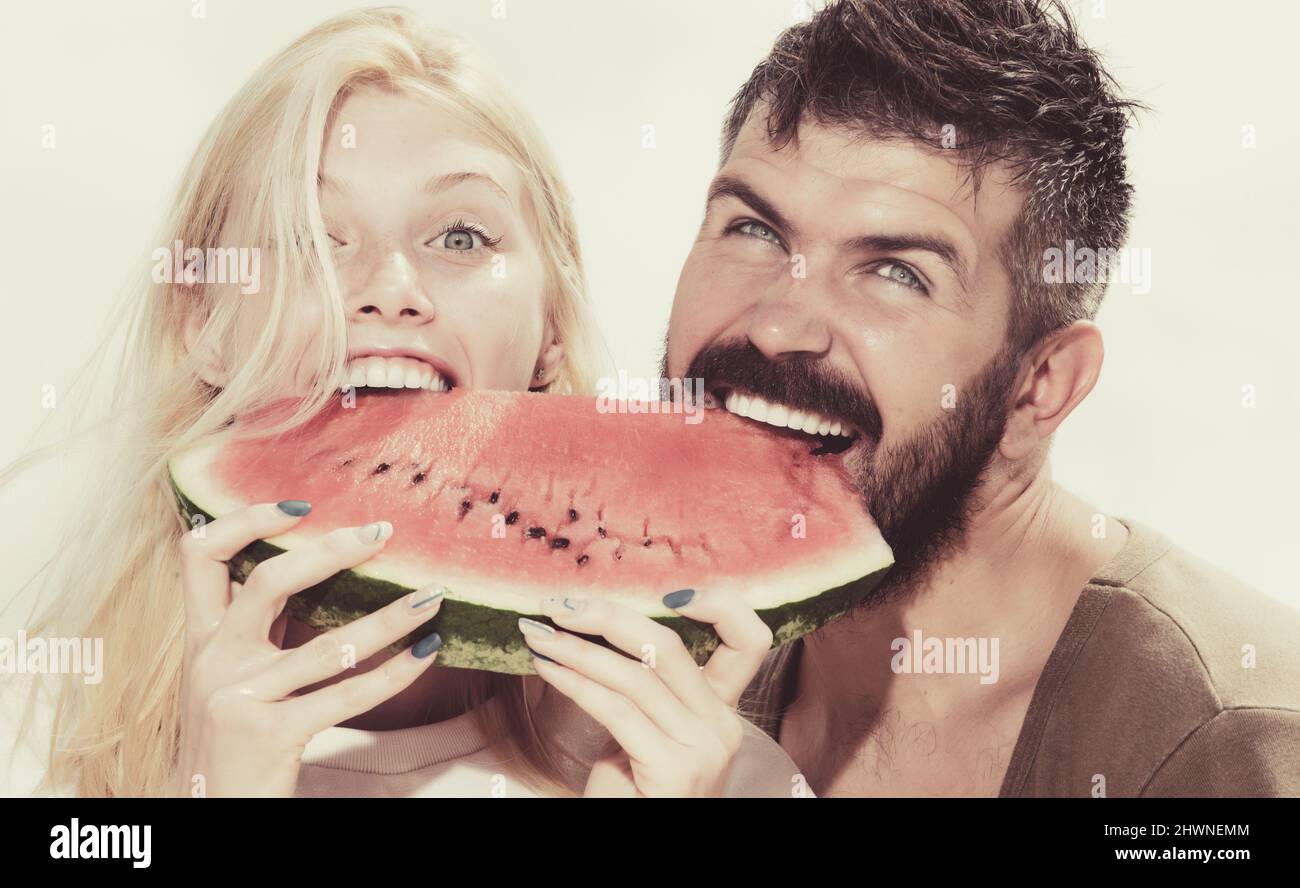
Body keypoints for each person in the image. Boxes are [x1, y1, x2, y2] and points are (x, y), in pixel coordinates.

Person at [0, 8, 801, 798]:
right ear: (204, 322)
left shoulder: (725, 775)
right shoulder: (31, 746)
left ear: (549, 326)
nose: (390, 291)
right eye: (313, 235)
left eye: (460, 237)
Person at [662, 0, 1300, 796]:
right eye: (754, 229)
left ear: (1040, 387)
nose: (778, 325)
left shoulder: (1226, 750)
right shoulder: (650, 658)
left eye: (897, 271)